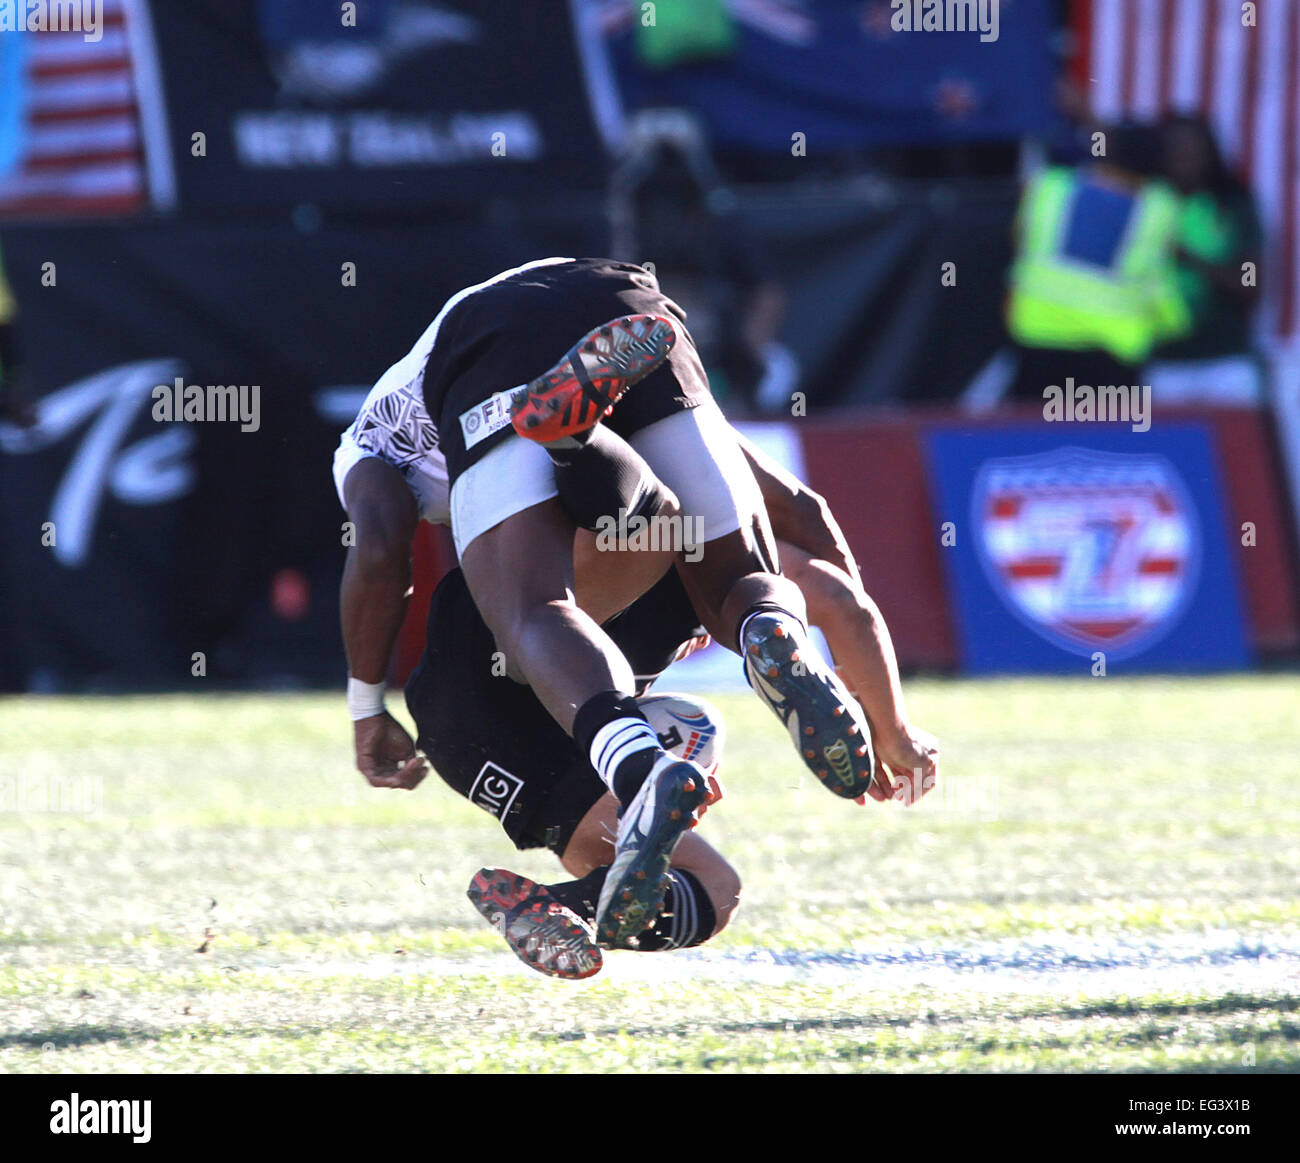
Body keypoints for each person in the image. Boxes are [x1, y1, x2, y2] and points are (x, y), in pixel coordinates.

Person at [1004, 124, 1189, 401]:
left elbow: (1019, 243)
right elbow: (1158, 272)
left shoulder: (1047, 186)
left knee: (1035, 437)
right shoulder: (1162, 207)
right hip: (1113, 347)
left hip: (1039, 334)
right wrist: (1172, 323)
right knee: (1107, 441)